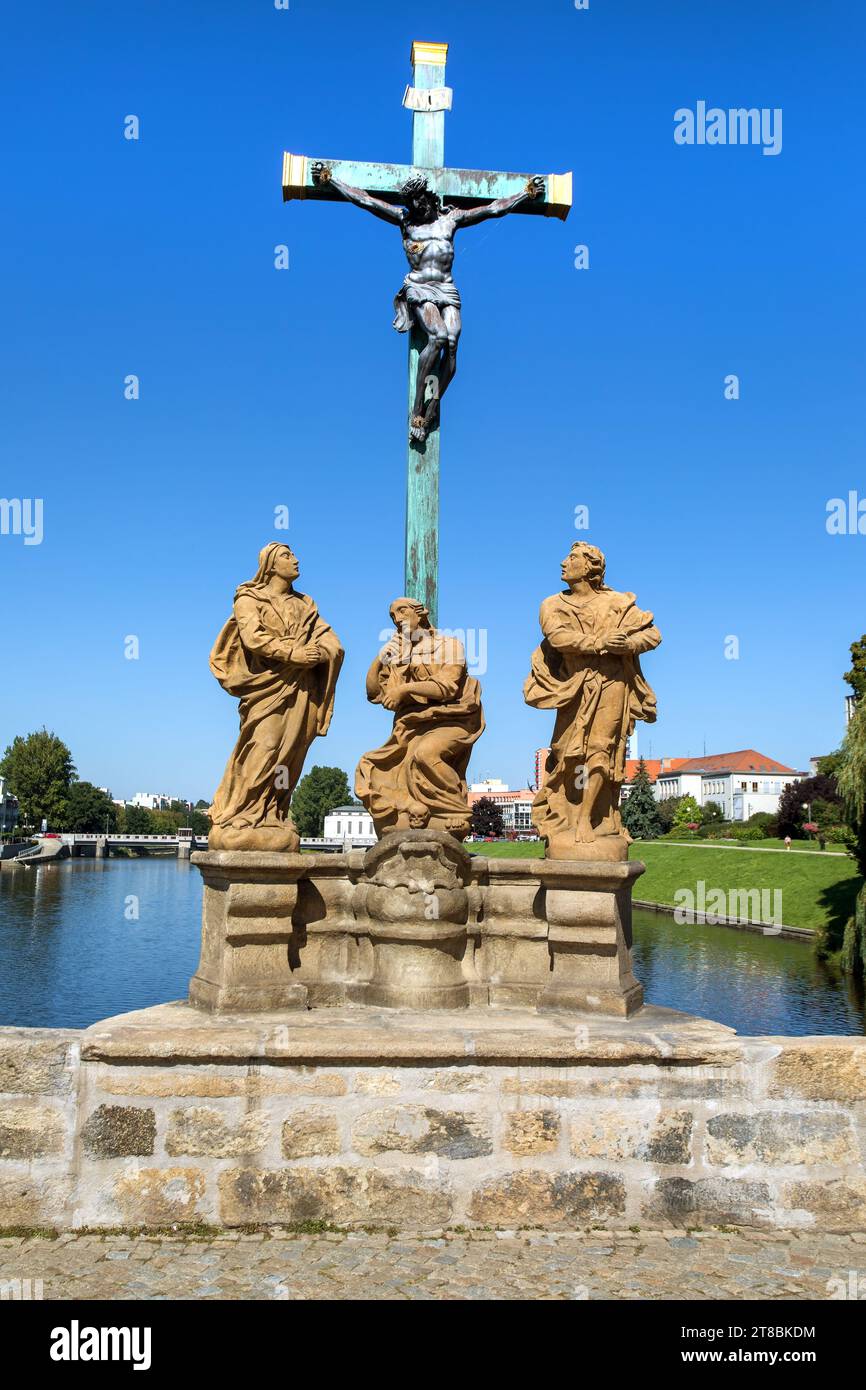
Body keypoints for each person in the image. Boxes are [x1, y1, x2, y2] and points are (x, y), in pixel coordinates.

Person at [311, 162, 544, 441]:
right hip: (420, 286)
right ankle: (417, 409)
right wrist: (330, 180)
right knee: (438, 335)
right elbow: (366, 201)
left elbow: (493, 209)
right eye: (412, 201)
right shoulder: (405, 220)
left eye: (420, 198)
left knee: (453, 347)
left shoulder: (450, 220)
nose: (417, 205)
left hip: (446, 287)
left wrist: (525, 193)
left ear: (429, 195)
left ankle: (433, 405)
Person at [524, 542, 661, 857]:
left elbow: (652, 635)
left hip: (612, 684)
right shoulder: (552, 605)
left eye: (571, 558)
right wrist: (600, 642)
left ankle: (586, 819)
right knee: (566, 754)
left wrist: (625, 646)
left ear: (590, 567)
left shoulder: (617, 602)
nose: (563, 562)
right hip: (575, 687)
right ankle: (565, 815)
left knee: (600, 750)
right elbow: (558, 638)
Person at [208, 543, 343, 850]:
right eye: (286, 555)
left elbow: (329, 639)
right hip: (266, 687)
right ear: (269, 565)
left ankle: (274, 813)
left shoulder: (305, 604)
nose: (295, 559)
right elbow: (254, 637)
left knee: (290, 756)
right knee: (265, 746)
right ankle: (240, 812)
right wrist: (294, 653)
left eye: (294, 554)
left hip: (301, 689)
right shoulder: (249, 598)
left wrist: (324, 651)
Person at [356, 597, 484, 837]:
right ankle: (410, 812)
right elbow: (373, 693)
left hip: (453, 719)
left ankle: (454, 812)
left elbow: (447, 688)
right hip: (413, 723)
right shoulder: (402, 653)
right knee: (372, 764)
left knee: (426, 753)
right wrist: (381, 659)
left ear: (421, 613)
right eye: (393, 616)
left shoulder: (449, 645)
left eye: (402, 611)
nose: (397, 619)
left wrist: (404, 689)